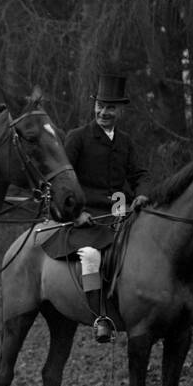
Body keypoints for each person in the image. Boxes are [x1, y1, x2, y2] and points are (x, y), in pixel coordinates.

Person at [63, 72, 152, 341]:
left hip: (121, 215)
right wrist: (76, 213)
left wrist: (141, 195)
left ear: (120, 110)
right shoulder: (77, 138)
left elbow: (141, 174)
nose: (104, 112)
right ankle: (100, 316)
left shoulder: (125, 142)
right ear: (94, 106)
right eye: (100, 106)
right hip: (87, 218)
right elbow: (64, 180)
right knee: (91, 256)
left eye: (110, 108)